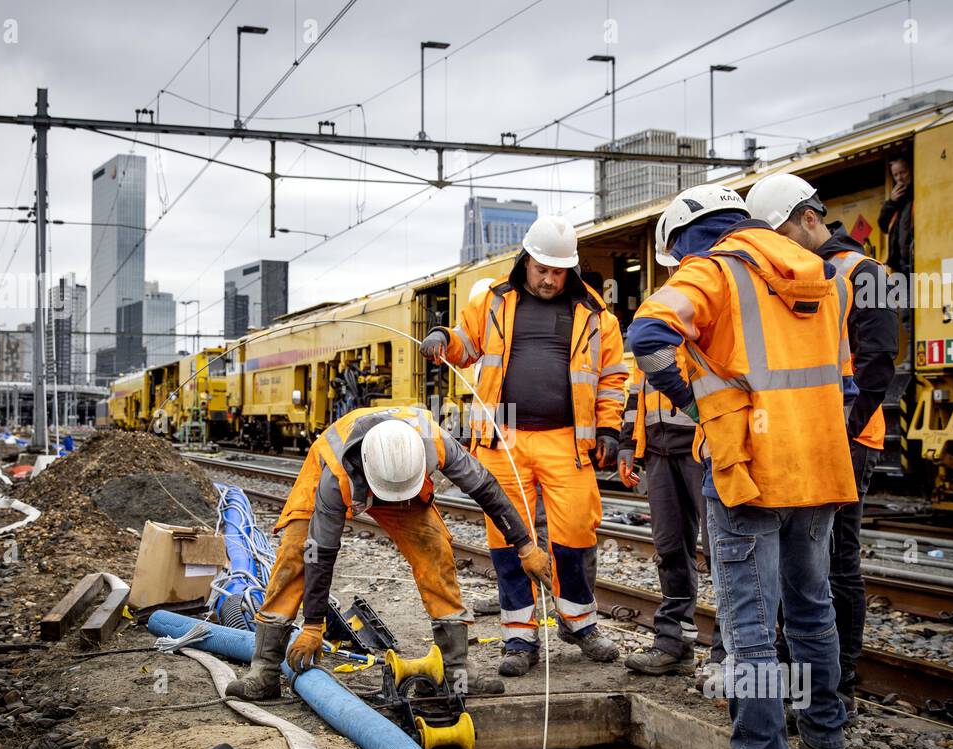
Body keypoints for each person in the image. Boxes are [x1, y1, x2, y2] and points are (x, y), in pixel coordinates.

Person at [628, 183, 858, 749]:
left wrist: (700, 400)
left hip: (748, 470)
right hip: (818, 465)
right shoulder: (813, 269)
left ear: (685, 238)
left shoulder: (711, 270)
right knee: (813, 614)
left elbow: (648, 335)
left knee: (751, 633)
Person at [225, 405, 551, 701]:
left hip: (403, 480)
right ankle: (265, 670)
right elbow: (320, 551)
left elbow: (487, 489)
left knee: (435, 550)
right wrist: (312, 624)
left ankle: (456, 669)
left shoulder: (435, 442)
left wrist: (524, 545)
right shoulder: (335, 472)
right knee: (296, 552)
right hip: (341, 474)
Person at [420, 216, 627, 676]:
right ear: (525, 262)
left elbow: (613, 379)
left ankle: (579, 623)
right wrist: (443, 338)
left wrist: (610, 429)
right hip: (503, 437)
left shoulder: (596, 316)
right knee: (508, 537)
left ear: (570, 270)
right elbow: (466, 345)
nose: (550, 279)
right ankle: (519, 637)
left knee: (576, 530)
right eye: (541, 269)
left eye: (558, 271)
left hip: (567, 441)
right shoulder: (493, 301)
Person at [746, 172, 899, 721]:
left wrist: (845, 426)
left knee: (837, 557)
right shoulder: (797, 272)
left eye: (783, 235)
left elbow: (879, 363)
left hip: (848, 435)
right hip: (803, 434)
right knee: (801, 559)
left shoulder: (868, 273)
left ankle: (843, 680)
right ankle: (801, 676)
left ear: (810, 220)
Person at [616, 198, 709, 676]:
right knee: (671, 547)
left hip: (701, 443)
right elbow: (638, 386)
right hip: (657, 449)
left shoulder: (706, 303)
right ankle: (674, 641)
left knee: (725, 552)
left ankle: (735, 654)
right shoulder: (664, 308)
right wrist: (628, 446)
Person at [878, 154, 913, 277]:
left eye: (903, 172)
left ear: (911, 171)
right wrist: (891, 202)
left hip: (912, 261)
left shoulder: (916, 194)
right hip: (900, 264)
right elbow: (883, 224)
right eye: (895, 175)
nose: (899, 178)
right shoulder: (896, 201)